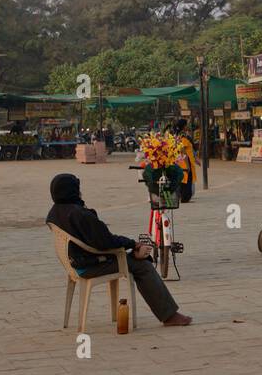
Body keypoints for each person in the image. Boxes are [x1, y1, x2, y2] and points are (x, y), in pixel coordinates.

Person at [45, 173, 192, 327]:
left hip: (76, 261)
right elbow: (106, 242)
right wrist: (133, 244)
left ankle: (167, 312)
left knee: (132, 256)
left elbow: (101, 240)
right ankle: (168, 316)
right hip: (89, 264)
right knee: (142, 266)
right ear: (72, 191)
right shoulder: (80, 214)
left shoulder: (55, 211)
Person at [174, 120, 196, 203]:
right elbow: (183, 151)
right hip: (184, 160)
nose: (188, 126)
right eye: (186, 125)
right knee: (187, 179)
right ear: (184, 126)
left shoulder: (177, 135)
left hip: (179, 160)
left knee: (182, 179)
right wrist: (187, 165)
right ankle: (185, 197)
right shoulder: (183, 136)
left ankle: (182, 196)